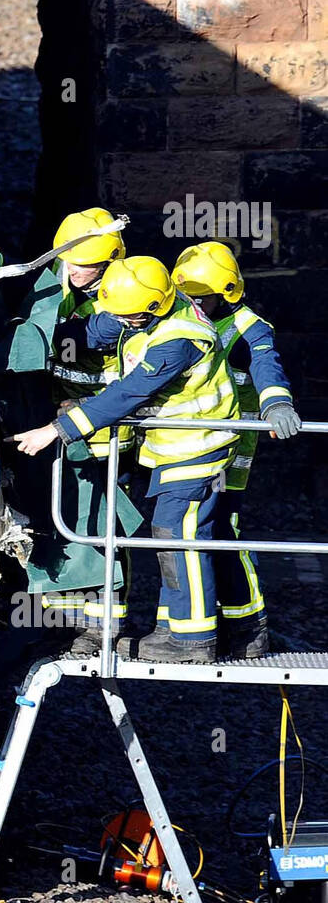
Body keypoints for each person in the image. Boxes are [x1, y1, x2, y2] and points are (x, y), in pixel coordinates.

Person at [13, 256, 239, 663]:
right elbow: (98, 328)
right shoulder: (140, 308)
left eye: (130, 317)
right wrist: (36, 337)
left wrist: (56, 430)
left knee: (178, 536)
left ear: (153, 307)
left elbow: (129, 394)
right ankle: (172, 632)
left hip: (197, 447)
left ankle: (192, 642)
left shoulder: (179, 340)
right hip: (174, 450)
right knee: (170, 534)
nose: (124, 323)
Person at [171, 242, 300, 658]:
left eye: (200, 295)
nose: (192, 301)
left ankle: (248, 626)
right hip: (183, 444)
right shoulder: (183, 314)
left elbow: (266, 365)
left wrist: (276, 402)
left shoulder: (248, 326)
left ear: (226, 292)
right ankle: (208, 625)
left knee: (223, 528)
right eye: (187, 293)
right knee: (191, 532)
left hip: (228, 449)